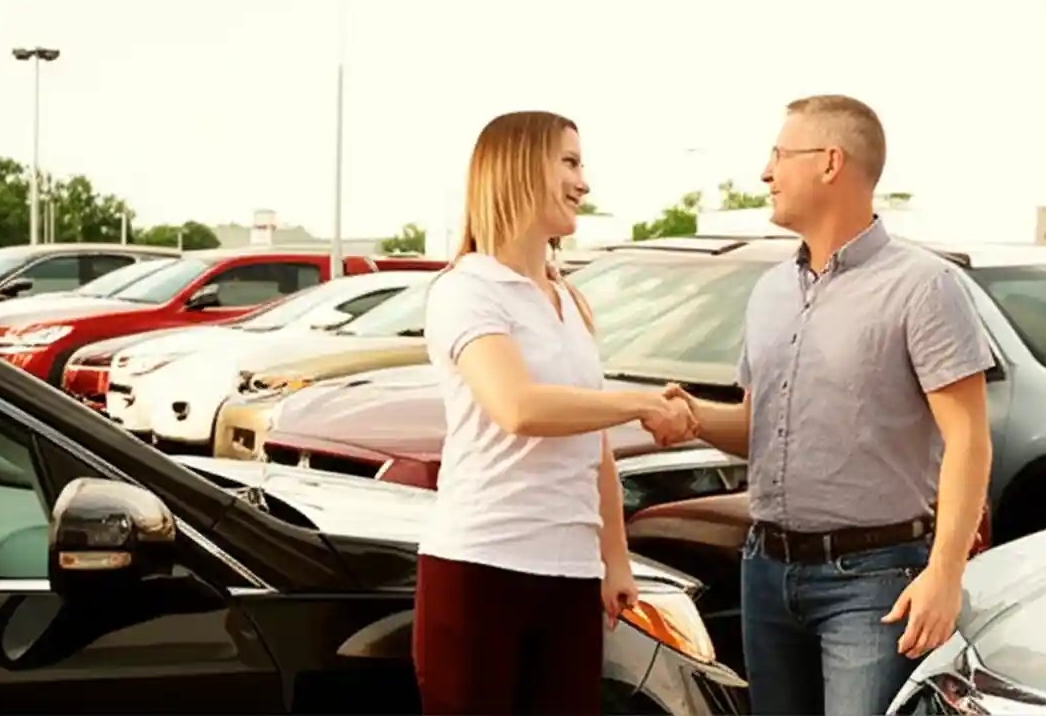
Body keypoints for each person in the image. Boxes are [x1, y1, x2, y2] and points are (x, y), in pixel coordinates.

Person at [661, 95, 994, 714]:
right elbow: (760, 428)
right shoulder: (768, 292)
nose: (765, 173)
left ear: (830, 163)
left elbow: (969, 438)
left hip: (873, 584)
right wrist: (690, 417)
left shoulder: (923, 286)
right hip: (764, 571)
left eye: (780, 155)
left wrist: (945, 572)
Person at [413, 110, 697, 715]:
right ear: (518, 170)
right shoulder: (468, 290)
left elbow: (594, 449)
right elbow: (517, 407)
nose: (584, 183)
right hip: (481, 569)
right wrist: (642, 402)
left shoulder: (568, 298)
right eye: (569, 162)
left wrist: (614, 560)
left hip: (569, 574)